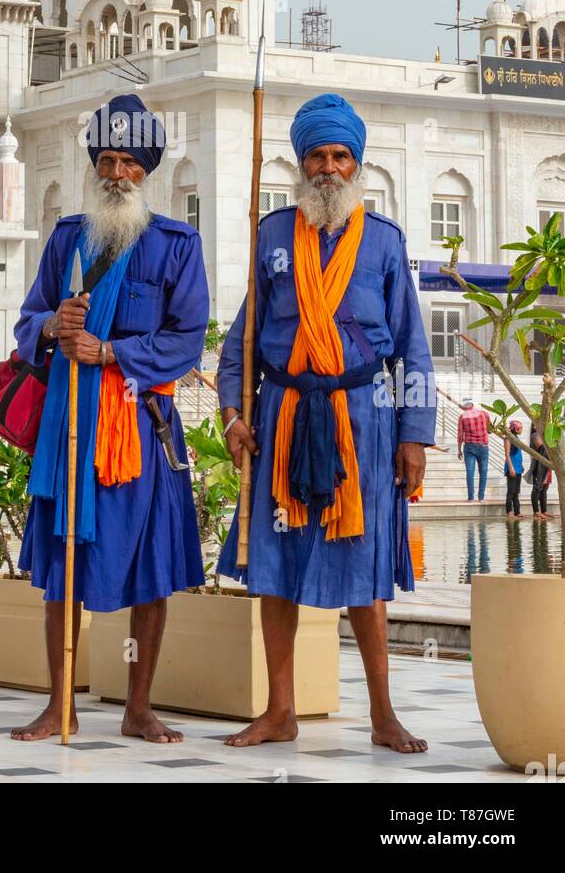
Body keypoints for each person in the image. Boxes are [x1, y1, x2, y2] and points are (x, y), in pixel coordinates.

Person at [217, 92, 436, 754]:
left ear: (357, 163)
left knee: (363, 571)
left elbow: (411, 347)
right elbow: (241, 342)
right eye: (317, 154)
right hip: (282, 416)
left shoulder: (385, 243)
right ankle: (278, 711)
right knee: (274, 566)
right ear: (301, 160)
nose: (328, 167)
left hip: (363, 423)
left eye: (341, 155)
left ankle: (382, 714)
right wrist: (233, 415)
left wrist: (414, 436)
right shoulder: (273, 235)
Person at [11, 94, 208, 744]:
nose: (115, 173)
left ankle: (138, 706)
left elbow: (187, 338)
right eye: (106, 160)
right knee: (64, 563)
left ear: (145, 172)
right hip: (68, 424)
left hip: (139, 426)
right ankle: (57, 703)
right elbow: (26, 323)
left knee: (149, 568)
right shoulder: (67, 238)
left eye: (128, 162)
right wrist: (50, 325)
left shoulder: (177, 244)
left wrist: (114, 351)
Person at [457, 397, 490, 502]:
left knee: (470, 472)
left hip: (469, 447)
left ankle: (471, 498)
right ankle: (481, 498)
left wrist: (459, 450)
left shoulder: (462, 417)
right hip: (483, 447)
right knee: (483, 472)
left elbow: (460, 436)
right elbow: (490, 430)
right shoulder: (484, 414)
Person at [529, 427, 552, 519]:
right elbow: (541, 447)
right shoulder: (535, 435)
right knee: (537, 487)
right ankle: (536, 511)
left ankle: (544, 510)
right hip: (538, 466)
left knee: (544, 488)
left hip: (546, 465)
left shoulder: (544, 436)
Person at [504, 420, 524, 519]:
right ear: (516, 429)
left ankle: (517, 511)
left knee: (517, 491)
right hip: (512, 467)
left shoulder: (516, 438)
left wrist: (521, 466)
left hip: (518, 468)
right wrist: (511, 468)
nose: (522, 430)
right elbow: (507, 454)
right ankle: (509, 511)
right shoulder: (508, 439)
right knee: (511, 490)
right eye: (520, 428)